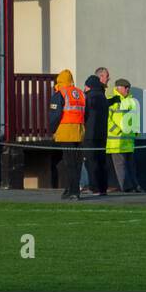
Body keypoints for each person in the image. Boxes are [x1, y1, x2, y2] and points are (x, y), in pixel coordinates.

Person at [47, 70, 85, 200]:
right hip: (80, 131)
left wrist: (52, 129)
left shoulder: (60, 94)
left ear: (60, 81)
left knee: (69, 163)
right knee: (78, 163)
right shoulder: (80, 93)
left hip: (66, 131)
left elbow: (55, 115)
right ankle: (72, 189)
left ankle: (73, 191)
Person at [81, 69, 116, 196]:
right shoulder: (102, 96)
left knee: (91, 162)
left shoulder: (89, 97)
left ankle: (93, 187)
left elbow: (84, 115)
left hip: (90, 135)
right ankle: (102, 188)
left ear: (89, 86)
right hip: (102, 135)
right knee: (102, 161)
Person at [107, 78, 142, 193]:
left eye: (128, 88)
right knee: (120, 166)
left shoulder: (131, 101)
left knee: (131, 166)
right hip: (116, 141)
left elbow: (134, 118)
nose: (127, 89)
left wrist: (136, 130)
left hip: (128, 140)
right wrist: (117, 131)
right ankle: (126, 188)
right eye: (125, 87)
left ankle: (134, 186)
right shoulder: (112, 100)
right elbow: (107, 119)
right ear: (118, 88)